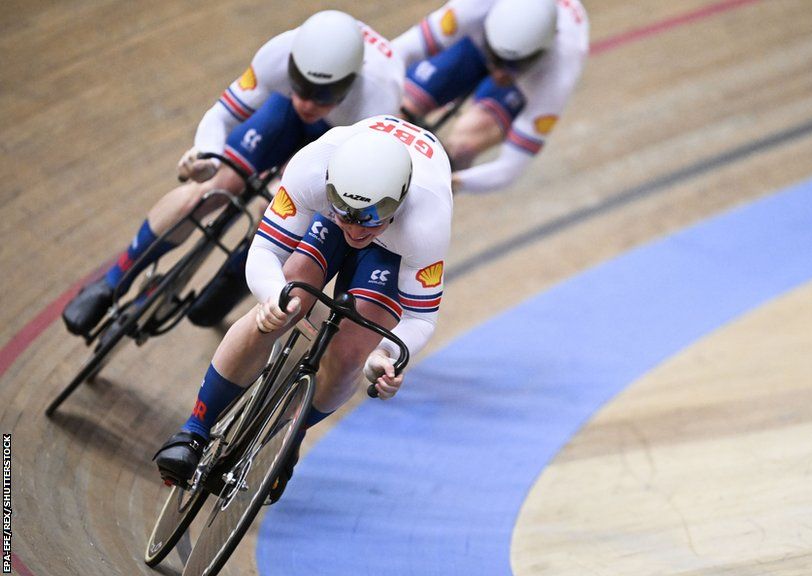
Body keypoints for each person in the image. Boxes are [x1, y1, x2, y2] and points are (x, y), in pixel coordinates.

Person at [154, 115, 452, 503]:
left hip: (392, 251)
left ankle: (289, 433)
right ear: (330, 188)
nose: (356, 229)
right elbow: (264, 251)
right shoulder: (311, 169)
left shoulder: (425, 223)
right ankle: (194, 429)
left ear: (397, 203)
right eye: (346, 211)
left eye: (369, 218)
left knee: (349, 355)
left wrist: (387, 354)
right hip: (325, 217)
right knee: (287, 303)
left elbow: (420, 317)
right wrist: (274, 297)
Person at [62, 10, 404, 335]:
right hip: (281, 118)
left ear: (349, 84)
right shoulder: (278, 53)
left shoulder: (378, 96)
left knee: (280, 213)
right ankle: (110, 282)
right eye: (299, 85)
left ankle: (235, 277)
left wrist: (282, 193)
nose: (308, 103)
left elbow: (347, 180)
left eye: (324, 95)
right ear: (293, 66)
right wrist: (205, 156)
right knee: (213, 188)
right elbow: (222, 115)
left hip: (340, 144)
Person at [391, 0, 589, 194]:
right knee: (402, 106)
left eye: (512, 65)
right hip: (476, 46)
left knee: (463, 148)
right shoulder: (473, 7)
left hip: (527, 81)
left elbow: (509, 170)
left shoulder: (558, 73)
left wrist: (448, 182)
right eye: (495, 59)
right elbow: (393, 54)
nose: (498, 73)